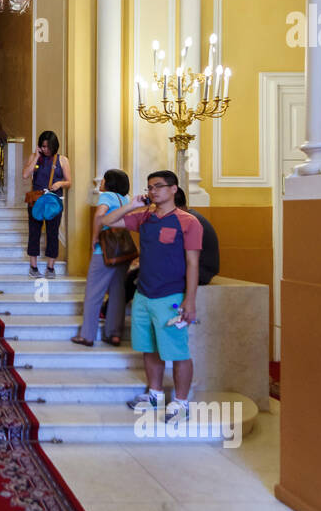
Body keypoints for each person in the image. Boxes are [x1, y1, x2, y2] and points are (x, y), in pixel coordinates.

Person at [102, 169, 203, 420]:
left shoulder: (188, 222)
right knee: (149, 348)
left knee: (178, 351)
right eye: (149, 187)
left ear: (173, 189)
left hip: (170, 297)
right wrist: (131, 205)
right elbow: (108, 221)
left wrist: (190, 300)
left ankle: (181, 402)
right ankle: (155, 394)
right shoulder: (144, 217)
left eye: (158, 186)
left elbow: (193, 263)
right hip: (143, 294)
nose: (153, 191)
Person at [71, 169, 131, 347]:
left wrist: (95, 237)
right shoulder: (125, 199)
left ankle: (87, 335)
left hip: (104, 251)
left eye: (103, 179)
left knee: (93, 292)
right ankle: (114, 334)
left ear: (110, 182)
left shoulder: (107, 197)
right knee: (118, 293)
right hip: (123, 252)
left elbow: (99, 215)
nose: (101, 183)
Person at [23, 131, 71, 276]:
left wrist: (60, 183)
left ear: (54, 146)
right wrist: (36, 156)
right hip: (36, 200)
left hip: (53, 202)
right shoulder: (35, 157)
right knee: (34, 232)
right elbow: (25, 174)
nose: (45, 149)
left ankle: (51, 267)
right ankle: (33, 266)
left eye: (48, 147)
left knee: (52, 233)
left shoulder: (62, 160)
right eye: (43, 146)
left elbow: (69, 182)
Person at [174, 187, 220, 284]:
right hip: (198, 270)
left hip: (202, 274)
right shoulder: (187, 217)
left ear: (179, 208)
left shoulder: (191, 221)